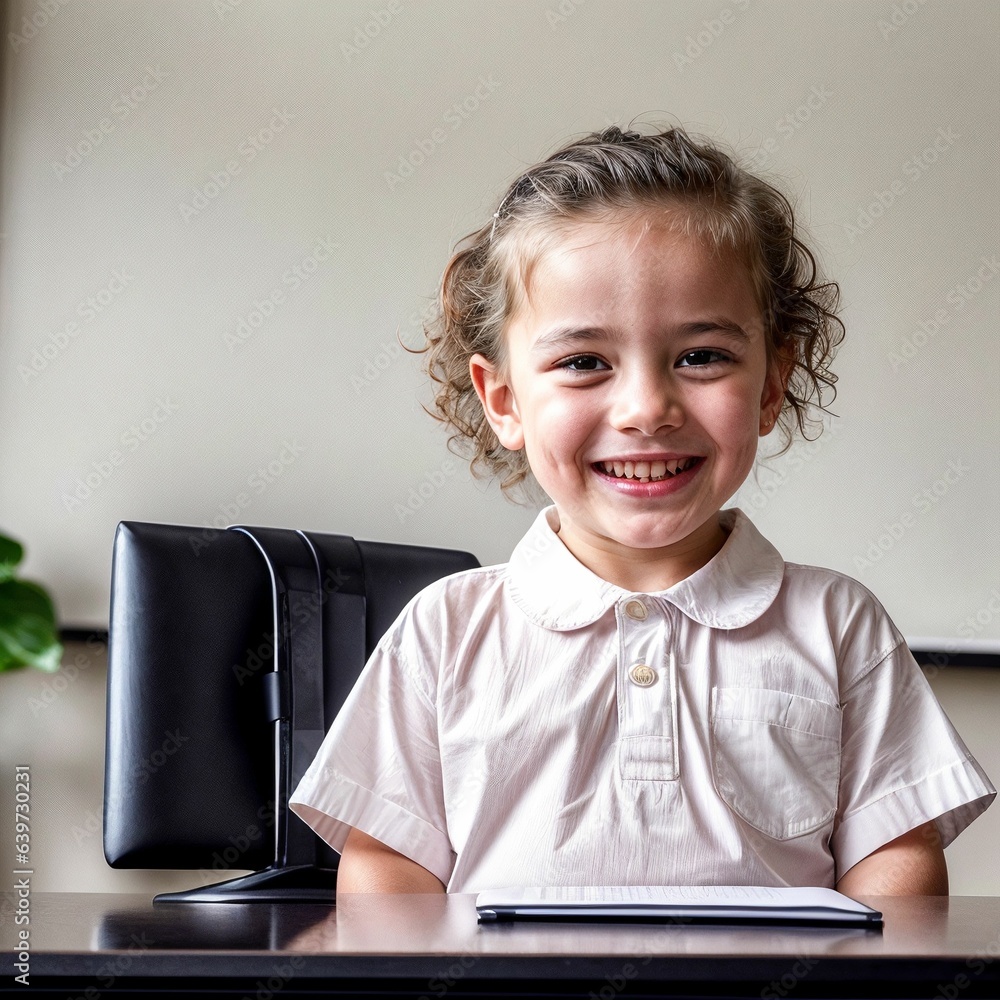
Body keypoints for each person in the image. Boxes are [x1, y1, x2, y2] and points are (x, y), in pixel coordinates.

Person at [290, 124, 994, 894]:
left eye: (701, 357)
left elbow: (896, 861)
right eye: (584, 362)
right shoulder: (446, 630)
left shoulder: (838, 626)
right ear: (503, 399)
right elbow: (389, 863)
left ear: (768, 386)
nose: (646, 409)